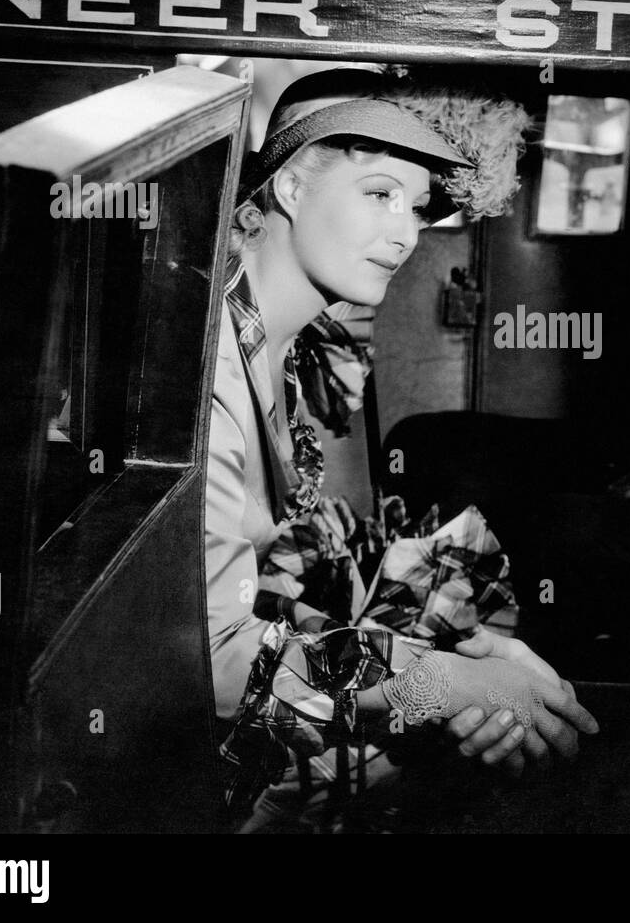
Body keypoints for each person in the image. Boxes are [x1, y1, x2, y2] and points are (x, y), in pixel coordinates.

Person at [207, 66, 597, 812]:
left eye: (416, 208)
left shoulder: (271, 355)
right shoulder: (214, 371)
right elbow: (218, 669)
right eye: (379, 194)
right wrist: (445, 688)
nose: (404, 234)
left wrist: (459, 670)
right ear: (289, 187)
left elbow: (267, 630)